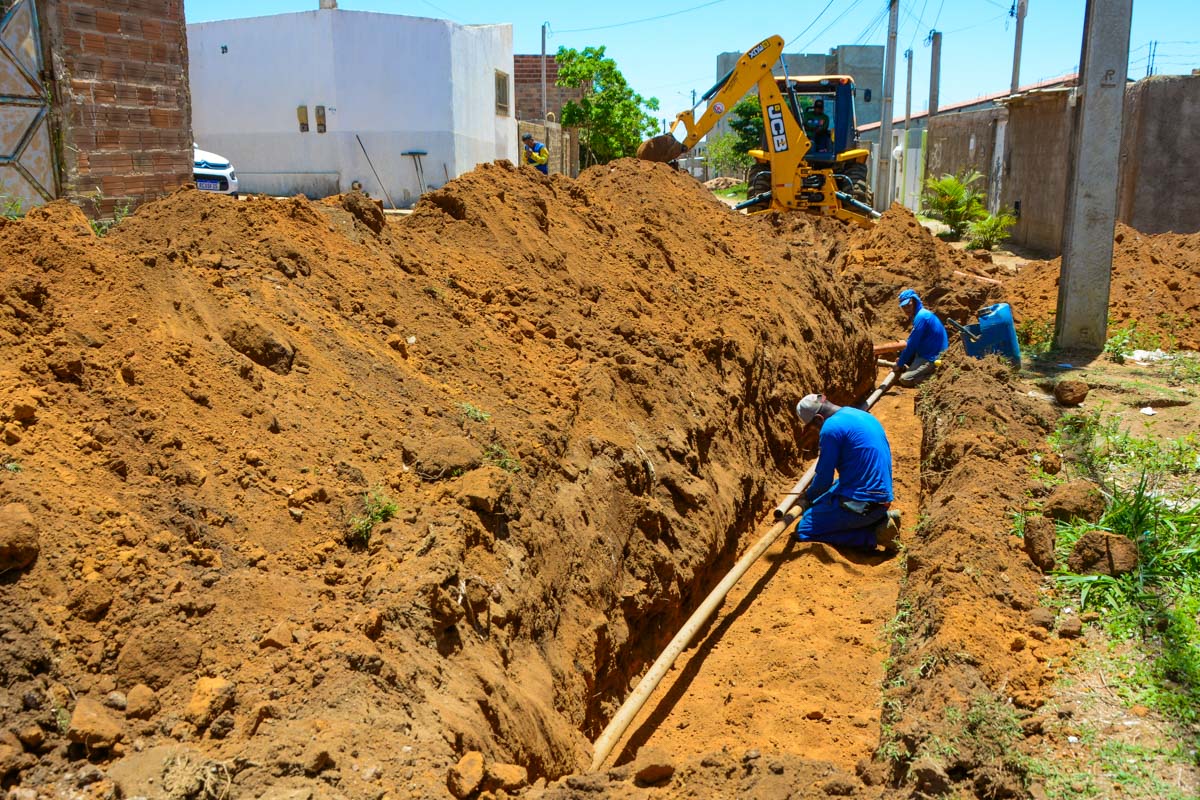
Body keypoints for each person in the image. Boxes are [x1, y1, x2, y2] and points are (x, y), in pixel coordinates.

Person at [792, 394, 900, 553]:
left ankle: (875, 534)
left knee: (805, 527)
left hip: (865, 503)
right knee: (822, 499)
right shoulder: (858, 414)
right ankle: (880, 518)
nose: (816, 433)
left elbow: (824, 479)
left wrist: (807, 497)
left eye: (813, 428)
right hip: (879, 496)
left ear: (818, 419)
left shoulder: (830, 429)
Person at [893, 289, 949, 387]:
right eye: (904, 307)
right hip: (928, 351)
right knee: (902, 354)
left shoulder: (921, 317)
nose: (907, 309)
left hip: (932, 357)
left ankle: (937, 379)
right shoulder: (922, 314)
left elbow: (912, 344)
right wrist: (902, 359)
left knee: (904, 379)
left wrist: (900, 364)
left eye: (909, 305)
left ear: (915, 301)